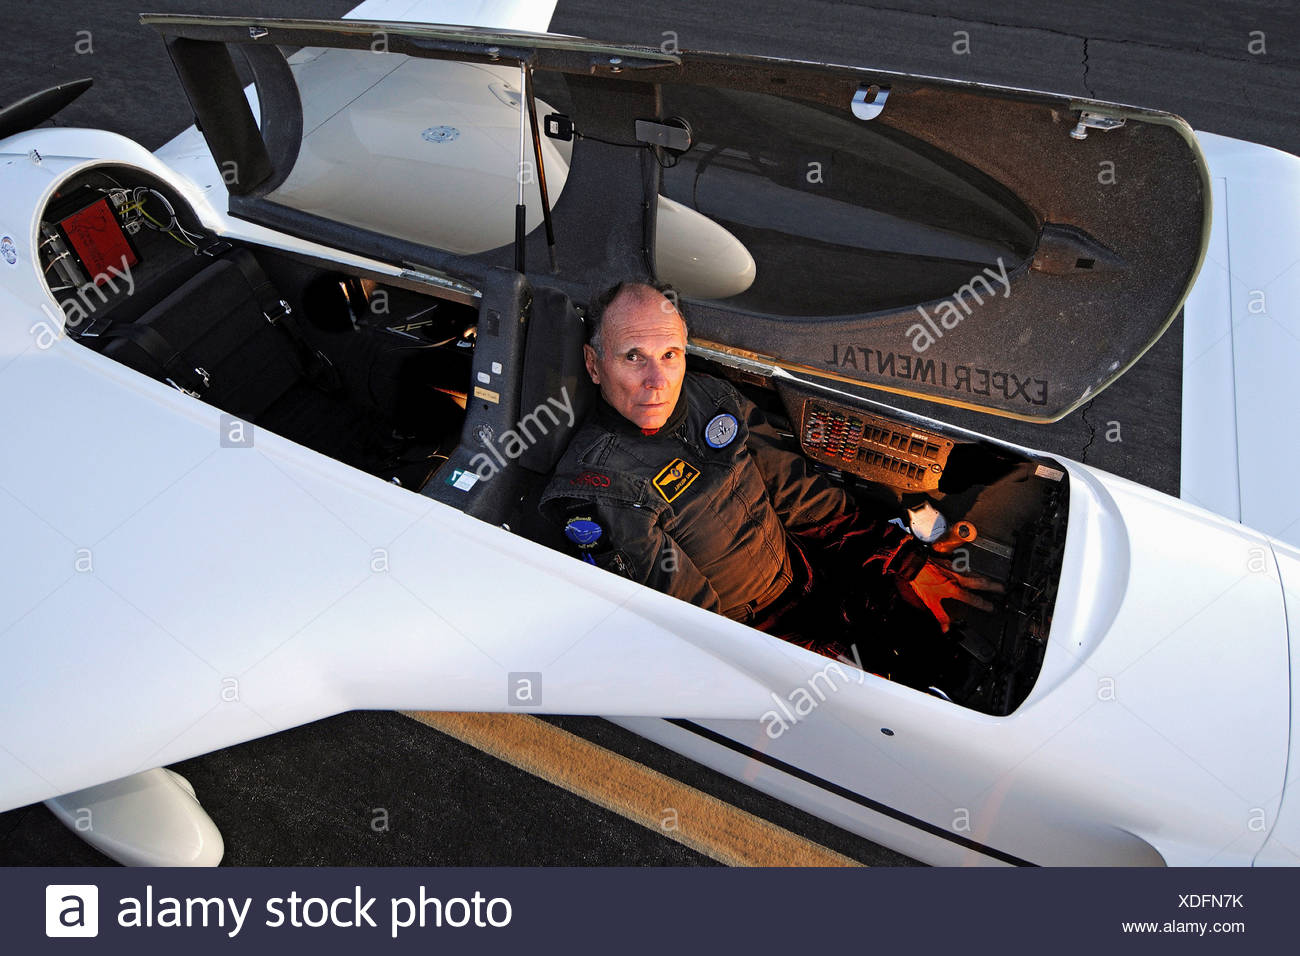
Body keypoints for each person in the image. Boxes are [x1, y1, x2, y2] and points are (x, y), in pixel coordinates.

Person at [539, 280, 1001, 675]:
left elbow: (801, 496)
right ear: (594, 364)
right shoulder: (598, 491)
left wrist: (900, 560)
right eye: (633, 357)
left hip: (813, 573)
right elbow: (704, 636)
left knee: (944, 635)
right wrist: (815, 666)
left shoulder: (712, 396)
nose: (658, 380)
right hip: (758, 639)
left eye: (670, 354)